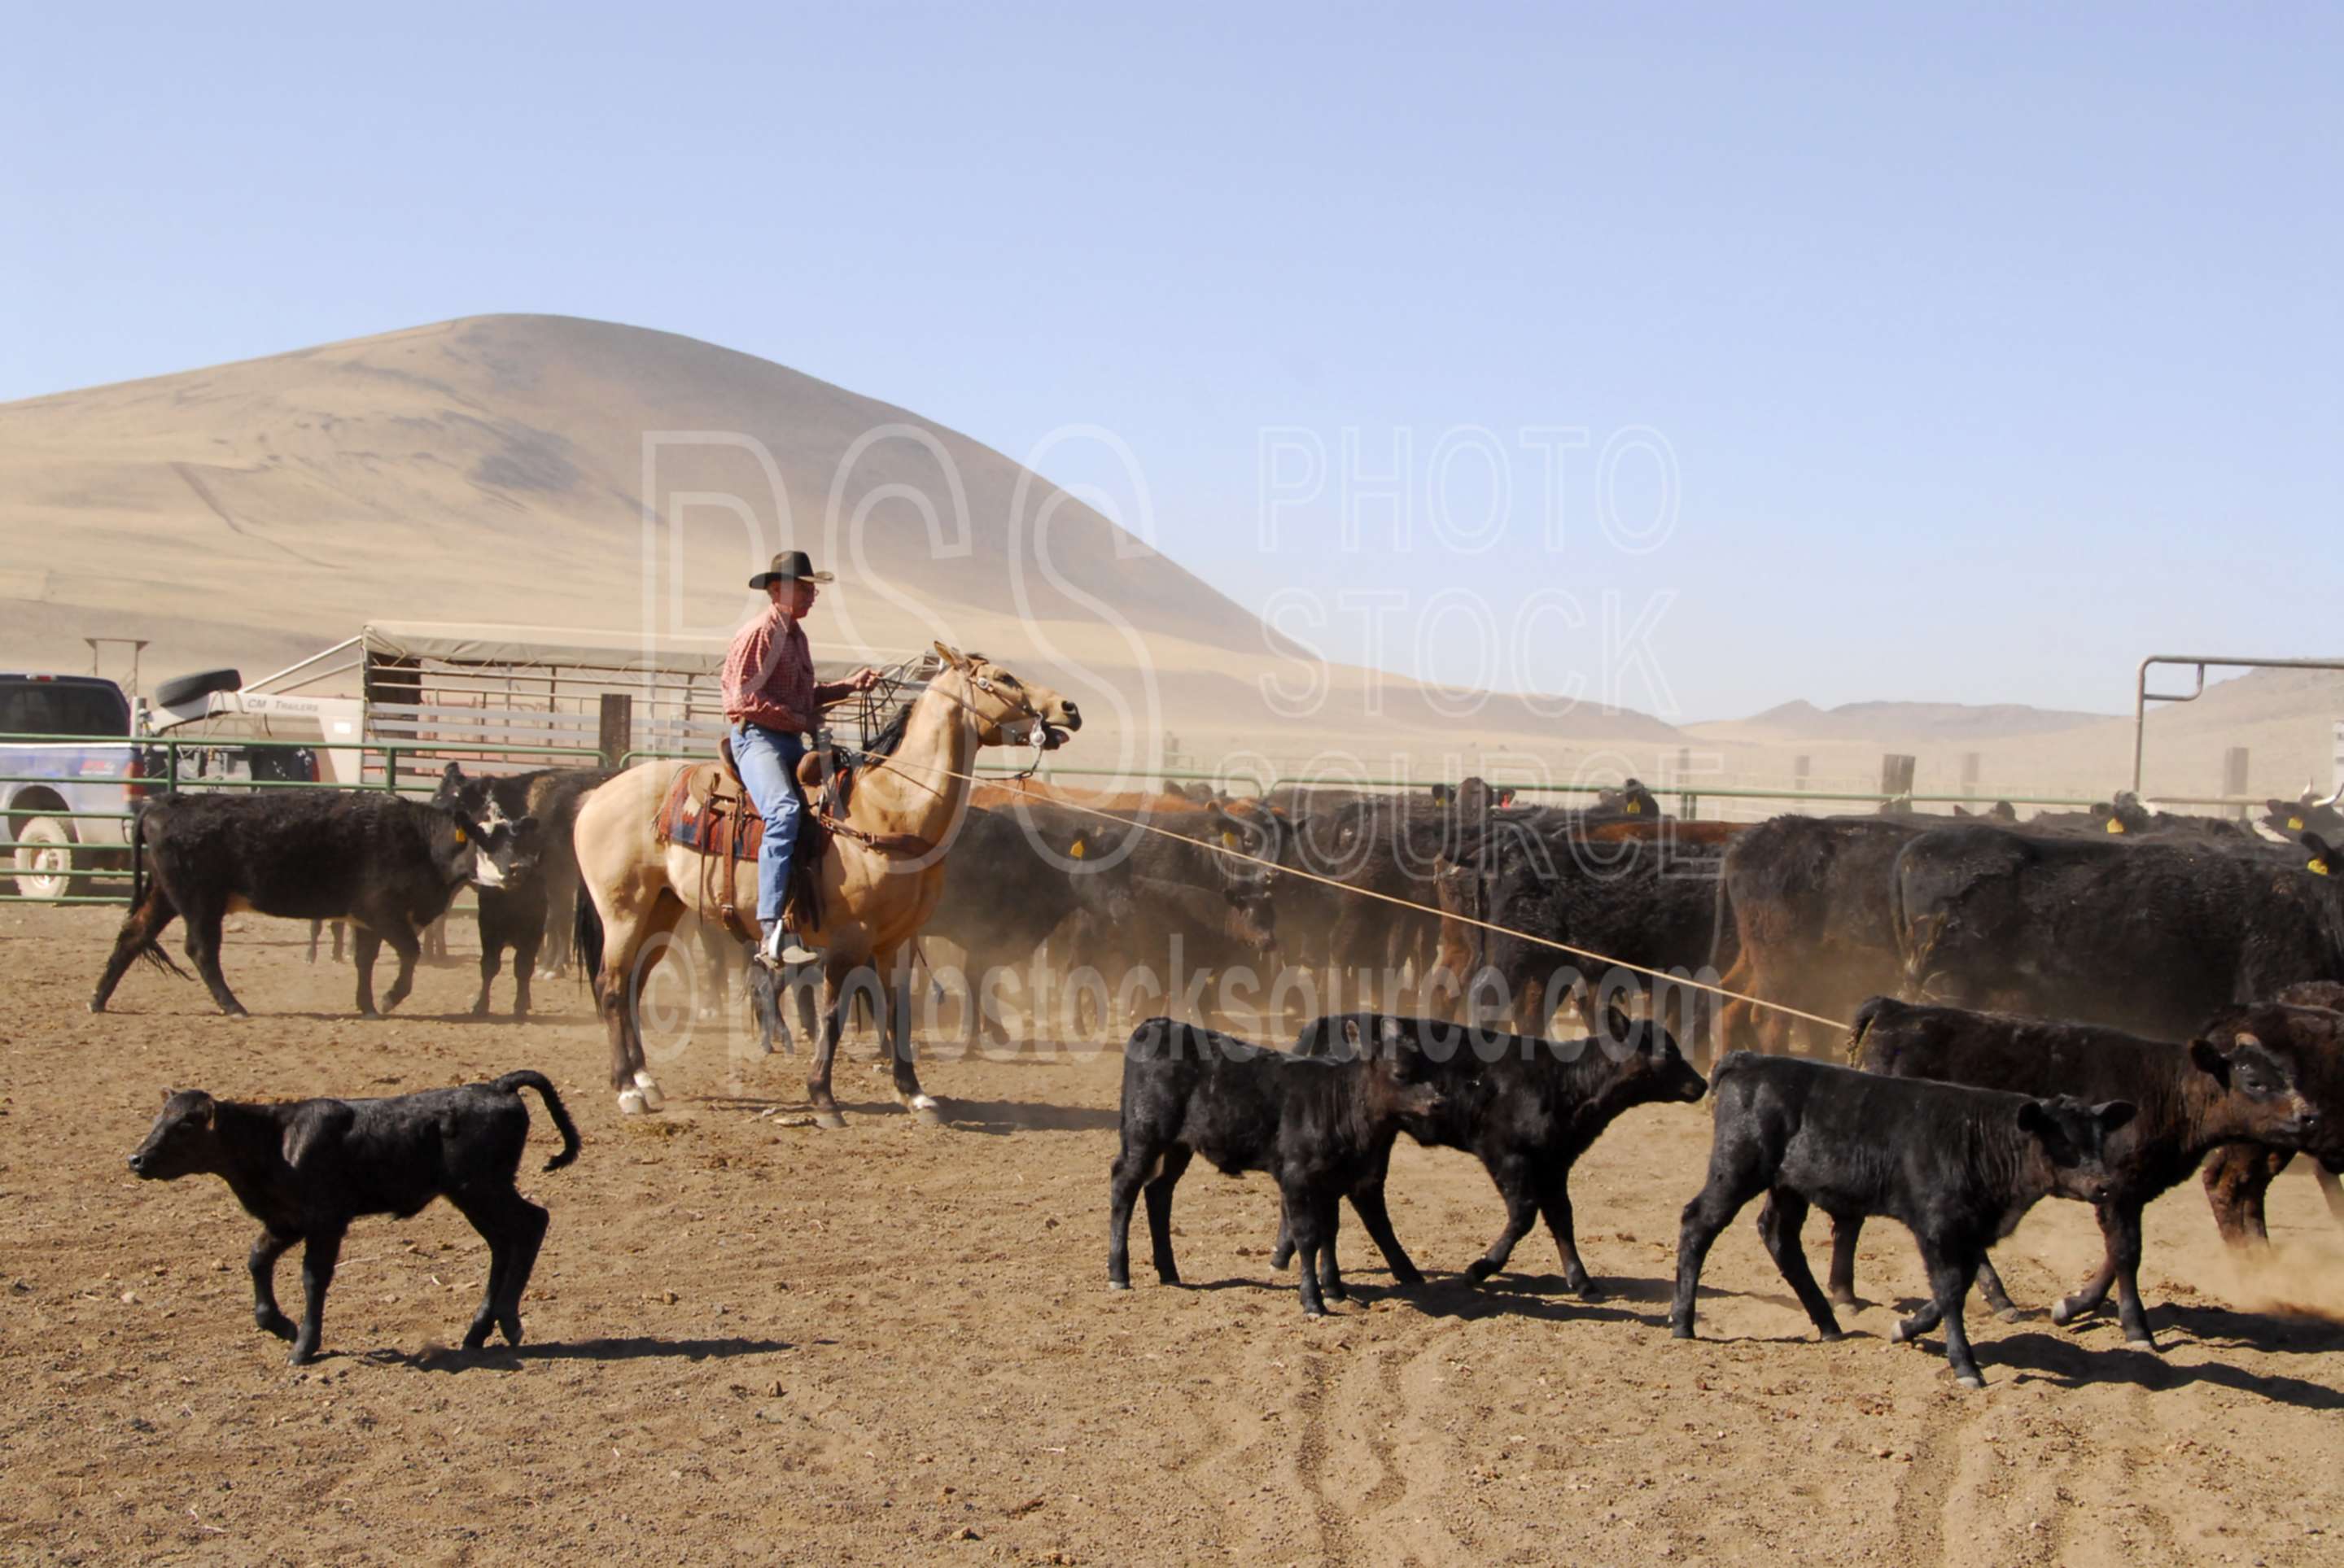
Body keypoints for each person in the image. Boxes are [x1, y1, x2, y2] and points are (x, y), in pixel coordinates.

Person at [720, 551, 879, 967]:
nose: (811, 596)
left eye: (813, 590)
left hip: (789, 739)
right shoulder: (760, 634)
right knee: (785, 812)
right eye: (804, 588)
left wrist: (849, 686)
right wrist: (801, 718)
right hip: (758, 740)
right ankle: (770, 928)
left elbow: (803, 695)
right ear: (778, 590)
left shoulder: (796, 636)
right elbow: (744, 699)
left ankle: (811, 911)